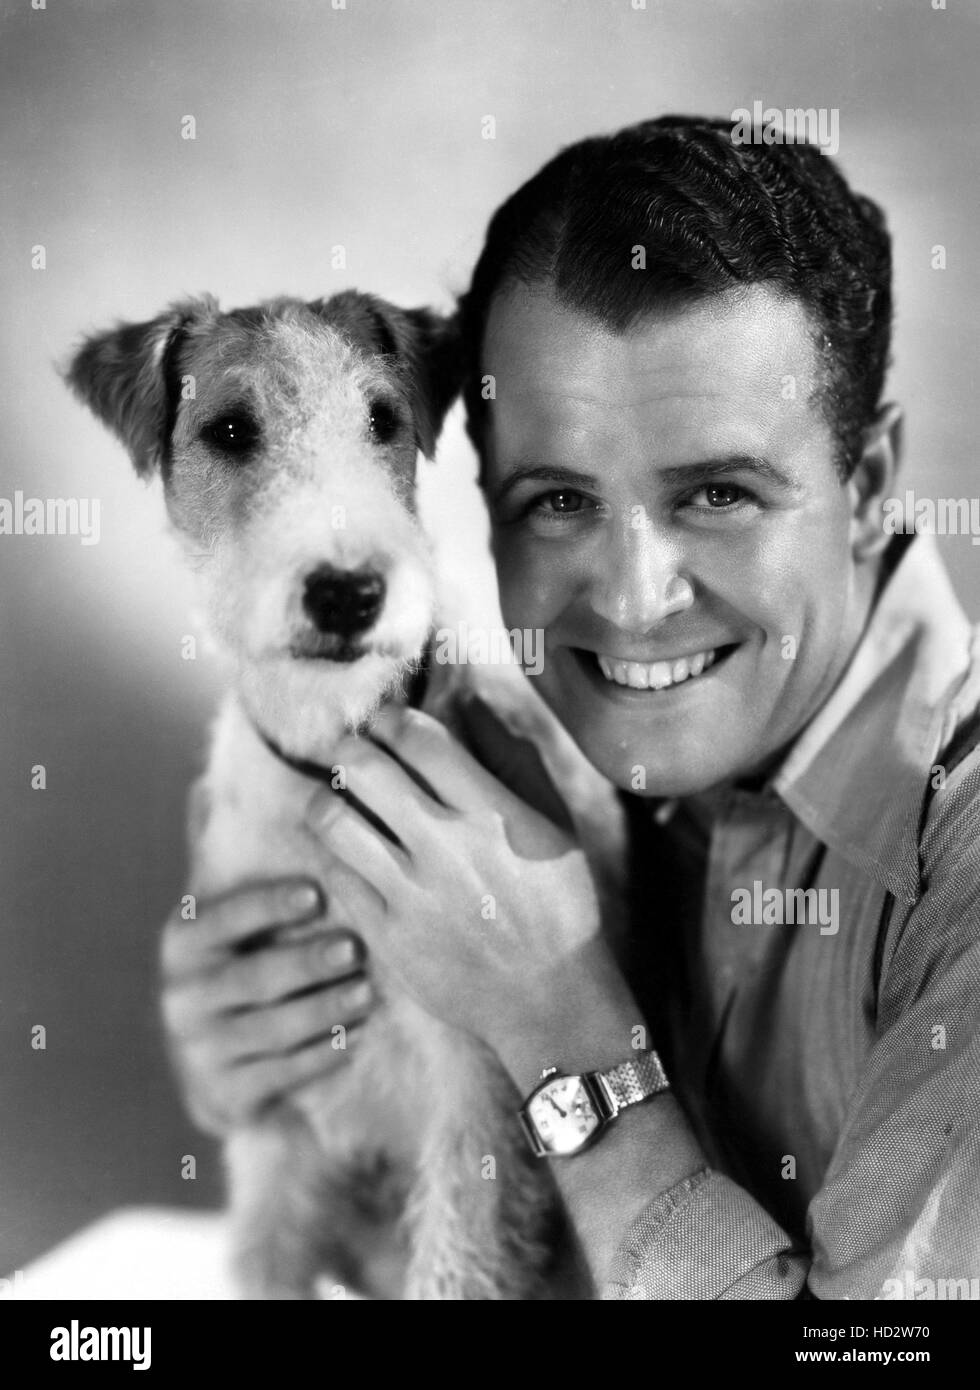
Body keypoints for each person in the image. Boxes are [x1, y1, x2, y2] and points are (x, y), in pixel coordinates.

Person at [161, 116, 980, 1299]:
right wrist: (299, 1090)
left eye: (716, 492)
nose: (636, 601)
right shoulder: (536, 769)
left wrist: (564, 1035)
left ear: (863, 487)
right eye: (554, 501)